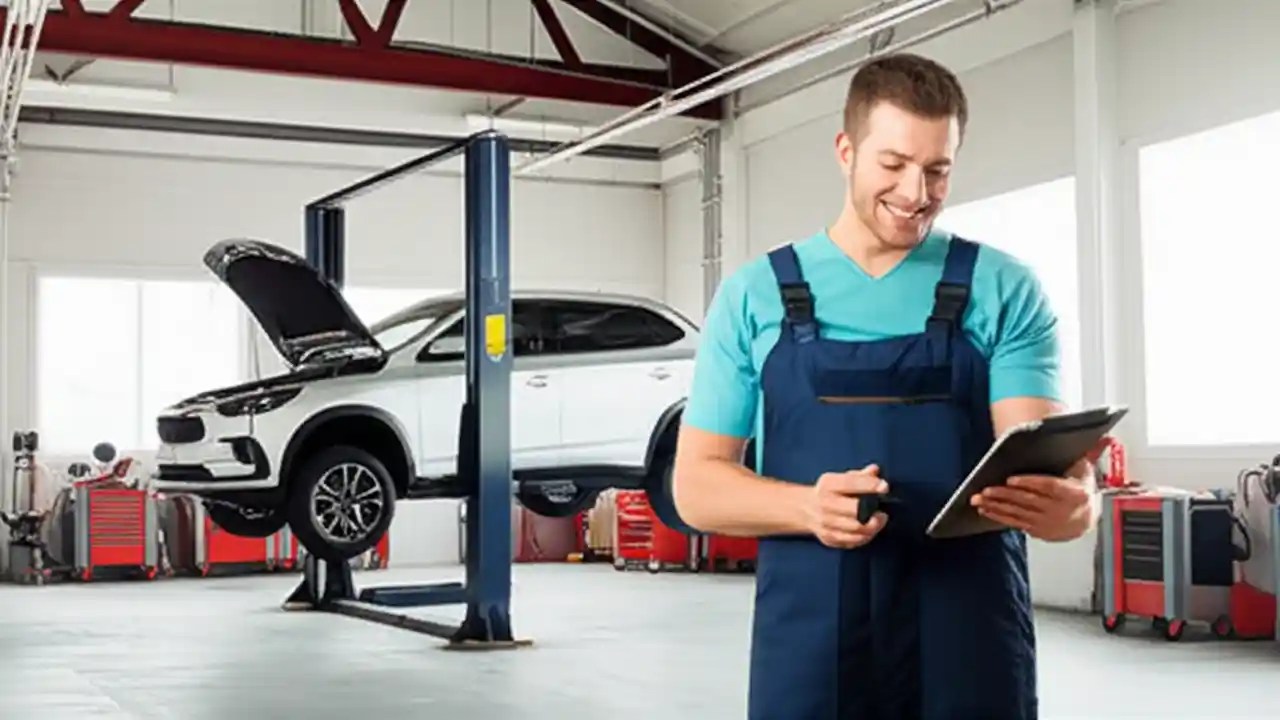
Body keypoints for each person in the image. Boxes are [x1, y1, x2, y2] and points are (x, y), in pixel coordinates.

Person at [671, 53, 1101, 720]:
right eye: (893, 165)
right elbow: (696, 488)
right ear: (846, 150)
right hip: (810, 641)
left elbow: (1039, 456)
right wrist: (808, 508)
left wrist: (1077, 506)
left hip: (970, 631)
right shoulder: (753, 296)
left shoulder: (1004, 289)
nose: (915, 192)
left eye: (938, 170)